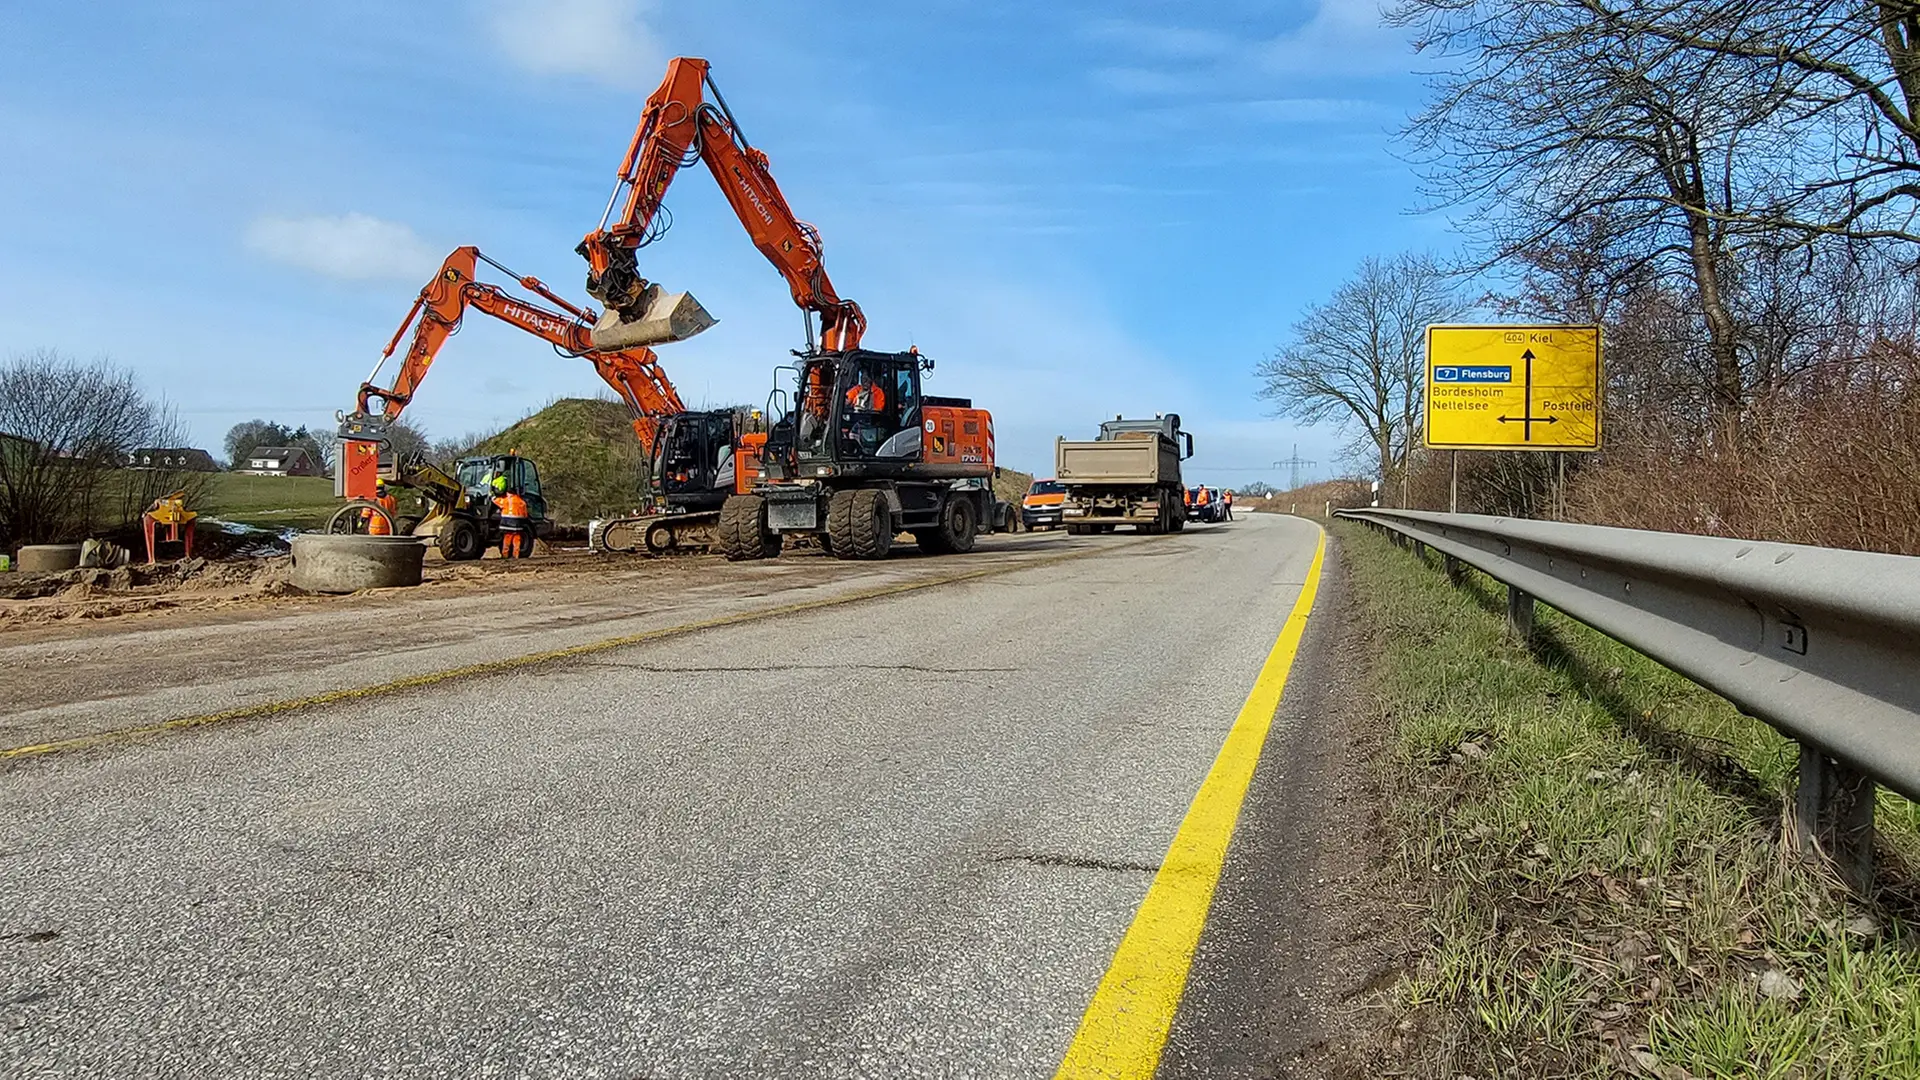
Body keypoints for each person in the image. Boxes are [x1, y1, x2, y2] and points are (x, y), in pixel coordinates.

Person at [492, 474, 529, 558]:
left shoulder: (506, 500)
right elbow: (525, 514)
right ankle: (516, 555)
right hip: (518, 524)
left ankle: (505, 554)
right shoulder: (521, 501)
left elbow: (497, 501)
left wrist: (492, 497)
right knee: (517, 538)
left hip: (507, 523)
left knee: (507, 538)